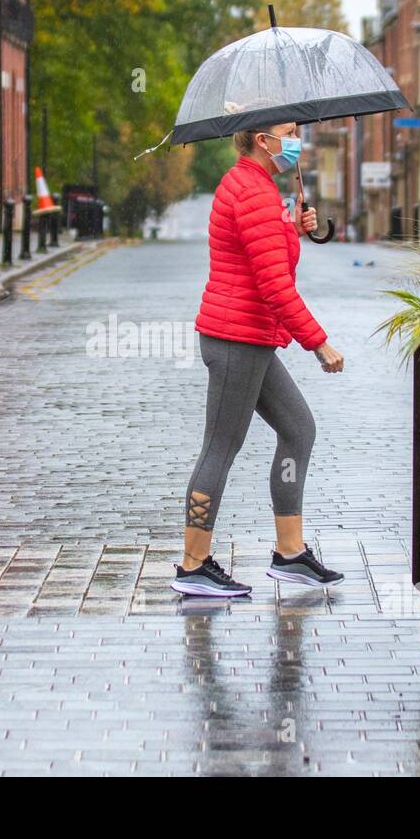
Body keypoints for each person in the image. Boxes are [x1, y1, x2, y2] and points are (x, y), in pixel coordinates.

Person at [172, 121, 345, 597]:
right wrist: (318, 342)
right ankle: (193, 564)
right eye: (287, 132)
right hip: (236, 340)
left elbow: (266, 260)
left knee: (298, 429)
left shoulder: (260, 188)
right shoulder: (252, 192)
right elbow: (274, 285)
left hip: (248, 337)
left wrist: (292, 228)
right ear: (260, 140)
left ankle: (290, 555)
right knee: (219, 448)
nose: (296, 140)